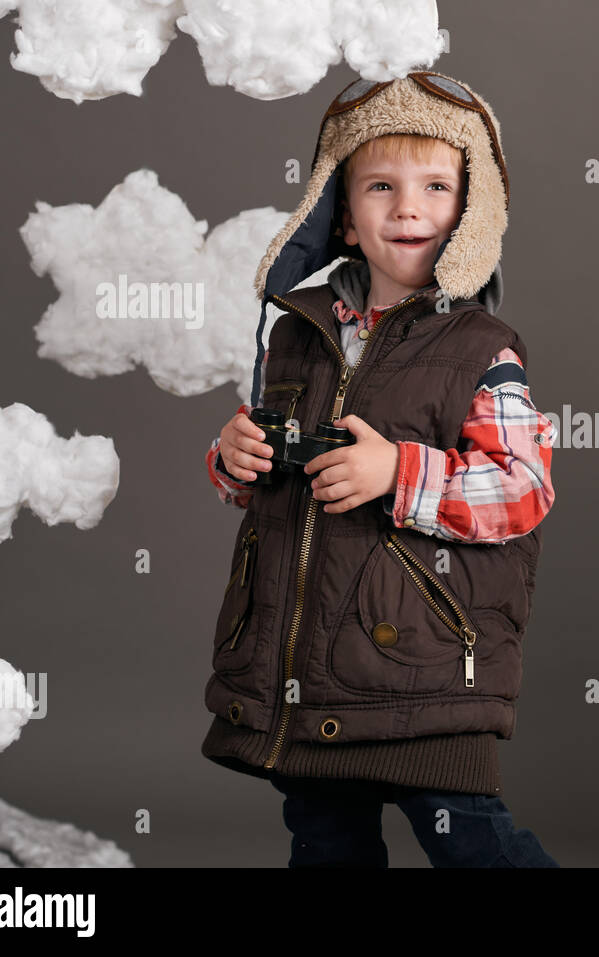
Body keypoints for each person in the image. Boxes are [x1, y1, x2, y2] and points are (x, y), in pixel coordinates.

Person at [198, 71, 558, 867]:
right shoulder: (296, 332)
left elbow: (523, 489)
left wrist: (399, 470)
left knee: (472, 845)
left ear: (471, 212)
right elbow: (259, 483)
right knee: (326, 847)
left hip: (423, 670)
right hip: (310, 675)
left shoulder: (481, 348)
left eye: (436, 186)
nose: (407, 207)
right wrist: (236, 456)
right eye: (381, 186)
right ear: (343, 218)